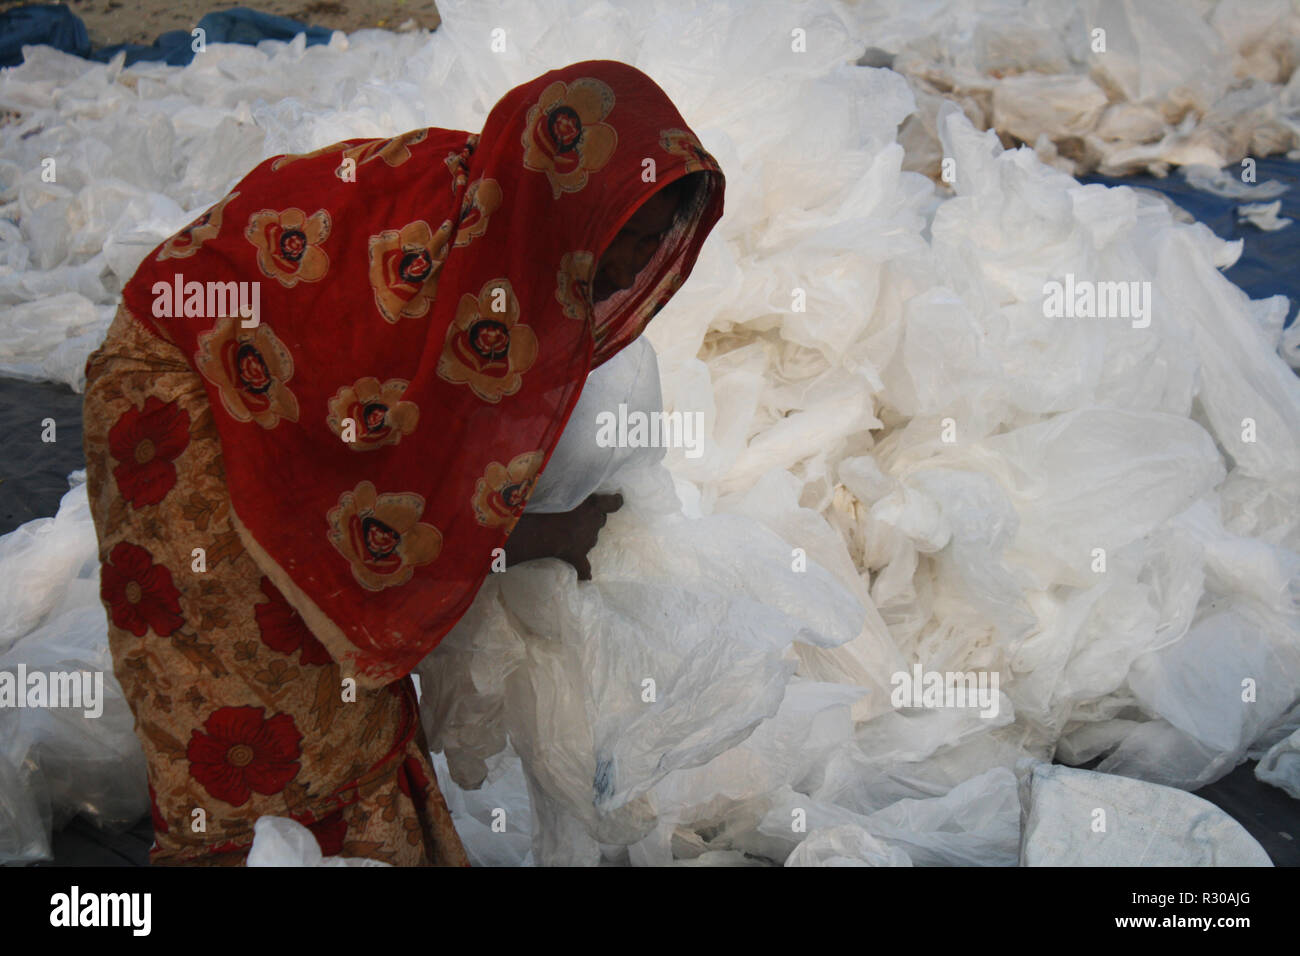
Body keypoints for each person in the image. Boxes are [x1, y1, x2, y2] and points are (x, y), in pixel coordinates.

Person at [80, 59, 725, 865]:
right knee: (246, 671)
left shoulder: (512, 226)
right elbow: (398, 511)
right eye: (625, 235)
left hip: (275, 403)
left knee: (344, 685)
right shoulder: (427, 260)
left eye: (653, 236)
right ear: (573, 198)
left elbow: (425, 483)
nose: (634, 267)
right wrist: (551, 537)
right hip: (182, 390)